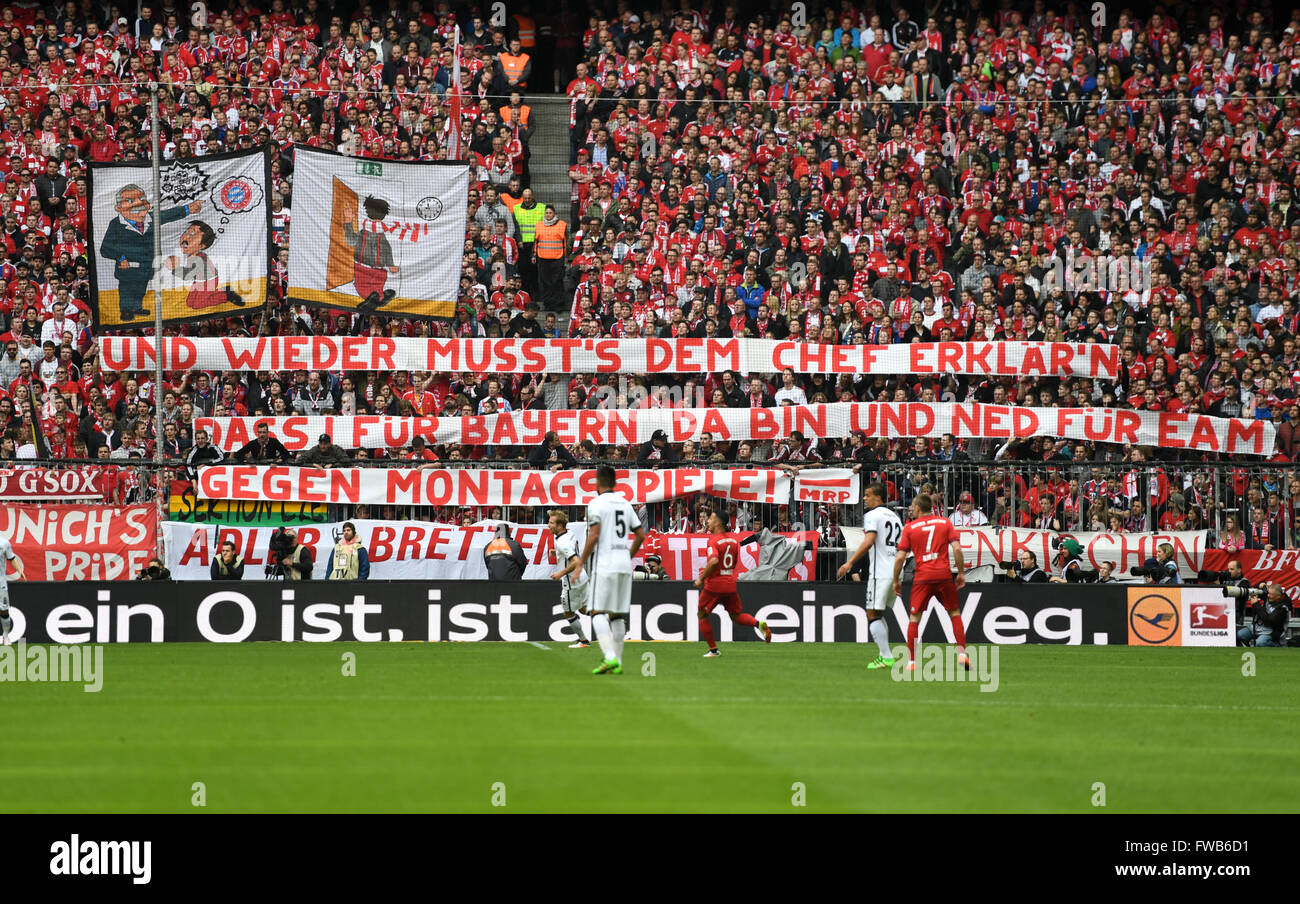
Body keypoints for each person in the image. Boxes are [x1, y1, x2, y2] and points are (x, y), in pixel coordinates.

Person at [578, 465, 646, 674]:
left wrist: (580, 562)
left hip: (605, 564)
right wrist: (628, 556)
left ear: (597, 483)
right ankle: (617, 661)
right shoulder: (625, 504)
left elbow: (594, 535)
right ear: (615, 483)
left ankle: (609, 657)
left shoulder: (596, 503)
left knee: (596, 612)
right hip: (623, 564)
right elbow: (640, 535)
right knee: (616, 616)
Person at [891, 493, 969, 672]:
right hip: (943, 574)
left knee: (914, 618)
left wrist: (896, 580)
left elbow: (900, 558)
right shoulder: (945, 523)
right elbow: (957, 549)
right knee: (955, 613)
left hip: (922, 577)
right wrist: (961, 573)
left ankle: (912, 662)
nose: (911, 509)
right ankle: (962, 654)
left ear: (918, 508)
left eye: (912, 506)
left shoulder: (910, 528)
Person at [836, 482, 902, 669]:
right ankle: (885, 656)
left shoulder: (872, 515)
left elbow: (869, 540)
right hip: (896, 571)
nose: (864, 498)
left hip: (880, 572)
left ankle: (886, 657)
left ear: (878, 497)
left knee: (872, 613)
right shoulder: (895, 517)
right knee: (878, 613)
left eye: (867, 495)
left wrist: (849, 562)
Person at [695, 510, 770, 657]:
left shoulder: (713, 540)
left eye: (710, 519)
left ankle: (713, 650)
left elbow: (714, 560)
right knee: (736, 616)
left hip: (714, 586)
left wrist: (701, 578)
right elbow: (731, 563)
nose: (708, 522)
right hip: (730, 583)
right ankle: (758, 624)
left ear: (718, 523)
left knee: (702, 614)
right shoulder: (734, 541)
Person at [547, 509, 591, 648]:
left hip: (572, 582)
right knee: (584, 609)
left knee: (568, 612)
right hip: (583, 578)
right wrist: (557, 553)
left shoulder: (562, 542)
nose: (548, 525)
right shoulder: (569, 533)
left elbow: (576, 562)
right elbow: (570, 551)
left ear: (560, 526)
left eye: (551, 523)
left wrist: (560, 573)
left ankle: (583, 641)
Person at [0, 530, 25, 644]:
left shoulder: (4, 543)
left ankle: (5, 635)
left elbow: (12, 558)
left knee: (4, 611)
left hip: (1, 584)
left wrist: (19, 570)